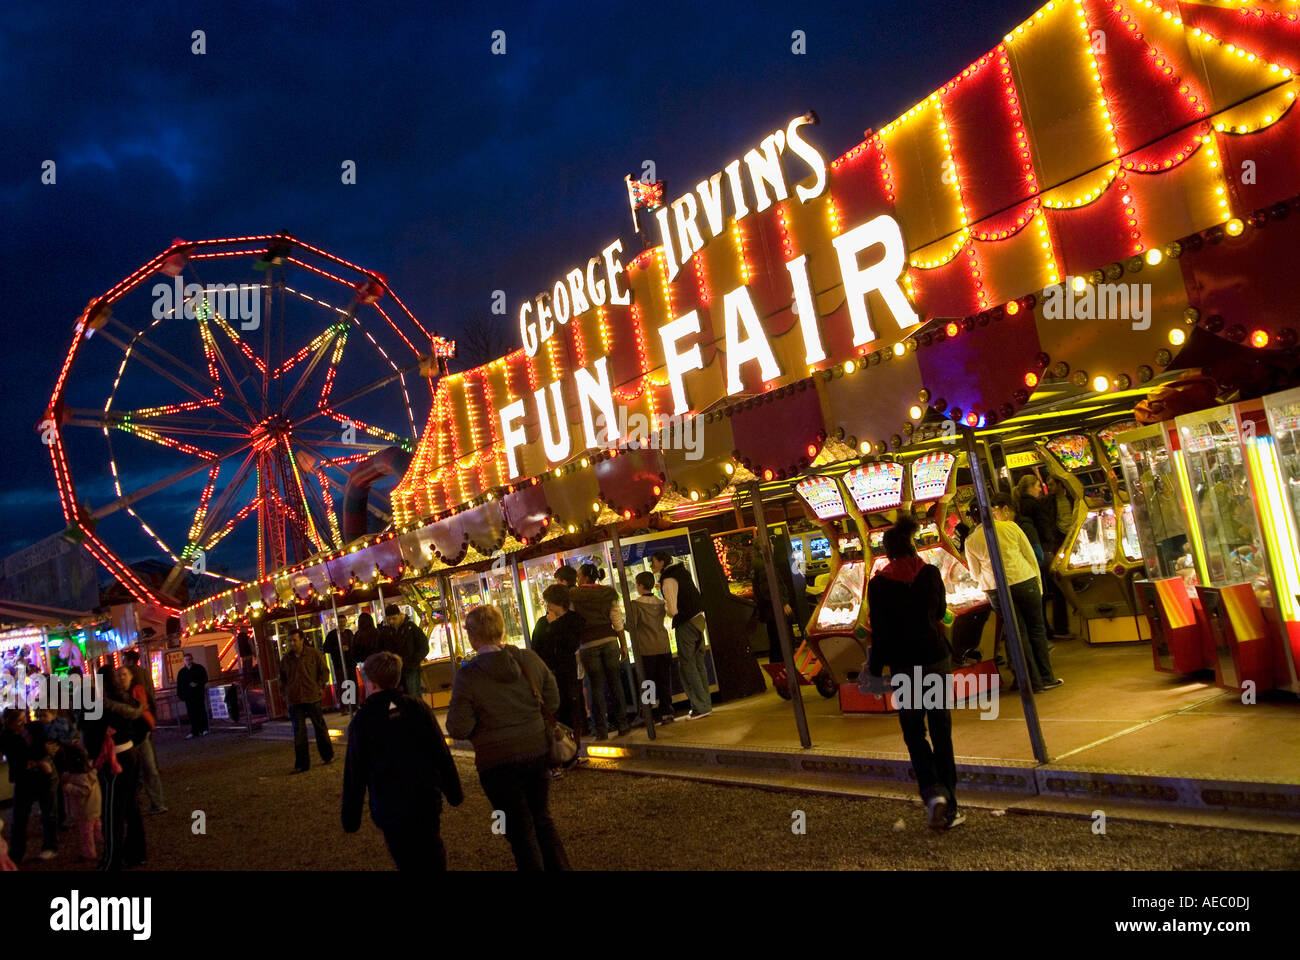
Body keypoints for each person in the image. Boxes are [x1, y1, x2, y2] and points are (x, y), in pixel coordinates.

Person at [445, 605, 570, 871]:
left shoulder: (468, 676)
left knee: (518, 828)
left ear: (472, 637)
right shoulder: (528, 659)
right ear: (501, 629)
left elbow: (458, 727)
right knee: (542, 817)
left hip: (497, 760)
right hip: (536, 748)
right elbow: (553, 699)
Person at [864, 516, 964, 829]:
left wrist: (875, 671)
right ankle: (950, 803)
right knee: (940, 729)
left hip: (904, 667)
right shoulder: (930, 573)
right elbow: (939, 612)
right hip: (934, 658)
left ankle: (932, 792)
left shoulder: (878, 585)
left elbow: (879, 634)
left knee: (913, 731)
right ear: (912, 545)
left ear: (887, 553)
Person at [342, 651, 463, 870]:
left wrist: (351, 816)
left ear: (372, 683)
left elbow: (355, 771)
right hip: (425, 796)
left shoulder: (363, 720)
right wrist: (453, 791)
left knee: (405, 857)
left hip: (389, 803)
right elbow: (440, 752)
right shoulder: (417, 708)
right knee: (433, 851)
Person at [965, 492, 1062, 693]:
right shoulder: (1010, 527)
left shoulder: (971, 541)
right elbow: (1030, 556)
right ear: (991, 511)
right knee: (1036, 629)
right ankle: (1046, 677)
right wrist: (1039, 586)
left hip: (996, 589)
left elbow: (974, 574)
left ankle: (1030, 682)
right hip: (1025, 581)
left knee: (1017, 634)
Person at [81, 667, 149, 870]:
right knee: (131, 806)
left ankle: (113, 859)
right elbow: (142, 726)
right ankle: (137, 852)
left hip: (114, 759)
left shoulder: (101, 705)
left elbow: (90, 733)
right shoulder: (128, 700)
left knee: (112, 811)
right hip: (130, 753)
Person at [570, 563, 630, 739]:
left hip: (588, 643)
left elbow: (573, 622)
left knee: (595, 687)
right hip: (609, 640)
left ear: (586, 577)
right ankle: (623, 724)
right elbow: (616, 619)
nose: (578, 579)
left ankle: (601, 730)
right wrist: (623, 644)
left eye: (579, 576)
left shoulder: (574, 596)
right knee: (615, 683)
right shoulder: (608, 593)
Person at [652, 550, 712, 720]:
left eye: (654, 561)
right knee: (699, 663)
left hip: (686, 623)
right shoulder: (681, 572)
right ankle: (705, 703)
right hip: (699, 620)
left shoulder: (668, 579)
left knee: (687, 665)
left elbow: (673, 610)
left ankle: (700, 707)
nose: (652, 564)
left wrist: (662, 608)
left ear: (662, 562)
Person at [531, 583, 584, 763]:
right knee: (553, 715)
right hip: (548, 675)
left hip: (567, 673)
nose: (547, 606)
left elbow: (571, 644)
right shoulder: (541, 622)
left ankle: (572, 753)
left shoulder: (574, 620)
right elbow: (535, 648)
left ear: (558, 603)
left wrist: (555, 625)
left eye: (549, 602)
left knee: (571, 712)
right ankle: (557, 757)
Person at [0, 707, 59, 861]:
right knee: (19, 816)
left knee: (49, 813)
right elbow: (17, 756)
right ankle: (17, 852)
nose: (22, 724)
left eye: (23, 719)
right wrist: (39, 757)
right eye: (18, 722)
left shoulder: (33, 727)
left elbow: (52, 742)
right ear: (8, 723)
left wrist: (37, 756)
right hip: (24, 778)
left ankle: (50, 846)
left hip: (44, 776)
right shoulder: (6, 736)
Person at [1017, 475, 1071, 639]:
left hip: (1031, 553)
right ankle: (1059, 628)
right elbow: (1044, 528)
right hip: (1044, 551)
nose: (1041, 489)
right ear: (1030, 487)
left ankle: (1045, 630)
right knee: (1057, 588)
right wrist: (1051, 543)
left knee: (1041, 593)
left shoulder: (1020, 505)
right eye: (1038, 486)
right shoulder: (1037, 505)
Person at [279, 628, 335, 773]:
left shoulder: (313, 654)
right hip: (295, 698)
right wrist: (285, 694)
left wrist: (320, 686)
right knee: (299, 732)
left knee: (319, 727)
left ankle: (327, 755)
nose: (292, 643)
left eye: (295, 640)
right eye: (290, 640)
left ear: (302, 640)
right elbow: (283, 679)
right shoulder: (286, 660)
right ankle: (302, 764)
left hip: (312, 695)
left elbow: (324, 671)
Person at [626, 571, 675, 724]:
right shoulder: (660, 602)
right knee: (664, 680)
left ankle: (647, 714)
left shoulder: (636, 604)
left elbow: (631, 626)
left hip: (646, 648)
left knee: (648, 682)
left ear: (640, 586)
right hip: (663, 645)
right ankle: (666, 712)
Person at [123, 650, 166, 813]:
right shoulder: (146, 674)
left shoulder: (132, 685)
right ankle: (155, 801)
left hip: (137, 729)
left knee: (137, 769)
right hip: (144, 726)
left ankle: (141, 800)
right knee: (148, 766)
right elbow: (151, 699)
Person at [752, 553, 795, 664]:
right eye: (770, 544)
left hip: (769, 611)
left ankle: (778, 670)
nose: (772, 546)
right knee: (780, 641)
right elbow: (769, 588)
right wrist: (783, 603)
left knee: (775, 642)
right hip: (774, 610)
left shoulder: (758, 564)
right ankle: (783, 669)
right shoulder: (764, 566)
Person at [384, 604, 430, 700]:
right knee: (401, 699)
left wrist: (413, 661)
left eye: (394, 618)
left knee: (413, 697)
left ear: (400, 615)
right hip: (396, 671)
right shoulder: (387, 632)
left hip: (410, 669)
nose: (391, 622)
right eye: (389, 619)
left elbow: (424, 647)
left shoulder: (411, 628)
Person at [176, 651, 209, 738]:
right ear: (184, 661)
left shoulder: (185, 671)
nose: (188, 661)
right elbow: (179, 685)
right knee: (192, 713)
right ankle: (197, 730)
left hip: (197, 694)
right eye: (186, 660)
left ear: (192, 660)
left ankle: (202, 729)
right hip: (190, 695)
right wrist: (181, 695)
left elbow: (205, 678)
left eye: (189, 659)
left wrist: (197, 683)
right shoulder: (183, 672)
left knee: (200, 711)